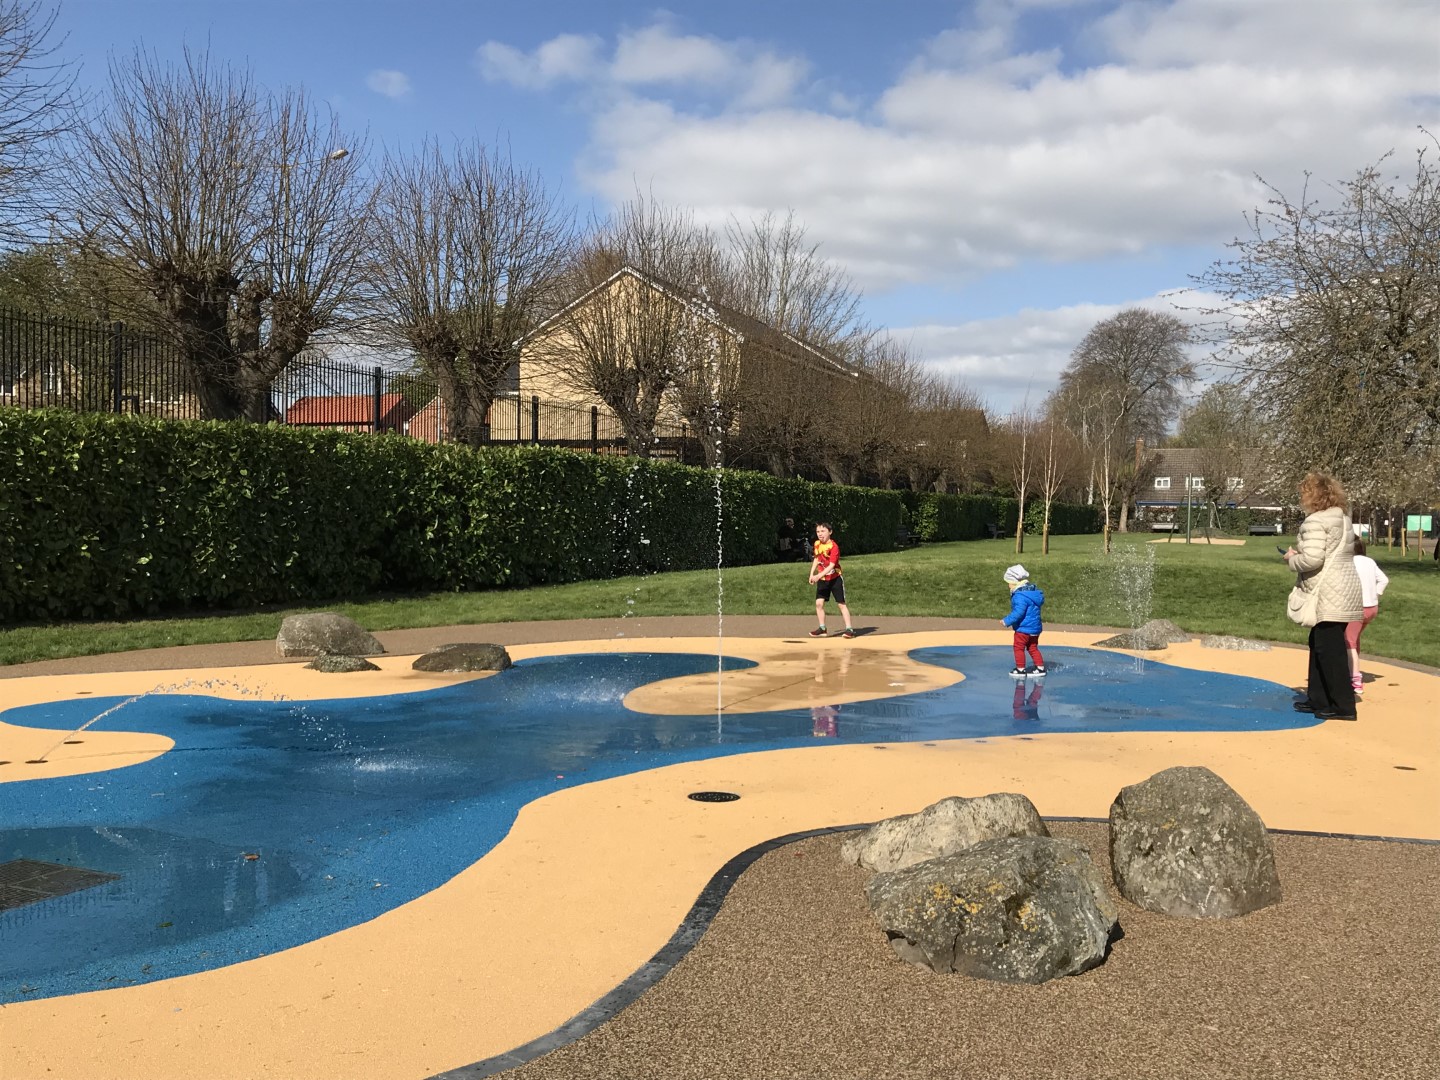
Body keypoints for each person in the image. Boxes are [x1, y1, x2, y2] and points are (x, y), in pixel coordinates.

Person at [1282, 472, 1364, 720]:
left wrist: (1291, 558)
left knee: (1329, 648)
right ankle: (1319, 699)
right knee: (1321, 643)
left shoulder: (1315, 521)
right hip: (1343, 586)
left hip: (1327, 590)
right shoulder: (1342, 518)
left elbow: (1313, 559)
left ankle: (1342, 705)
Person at [1346, 537, 1389, 698]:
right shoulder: (1369, 561)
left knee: (1349, 643)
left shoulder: (1349, 562)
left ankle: (1355, 680)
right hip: (1371, 608)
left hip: (1356, 608)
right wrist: (1375, 594)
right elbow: (1384, 580)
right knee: (1354, 640)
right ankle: (1352, 670)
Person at [807, 522, 855, 638]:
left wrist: (818, 576)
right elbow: (817, 558)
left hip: (835, 578)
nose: (820, 534)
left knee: (841, 604)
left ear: (830, 532)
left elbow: (831, 565)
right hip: (823, 579)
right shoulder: (817, 544)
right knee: (819, 603)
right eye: (818, 531)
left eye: (823, 531)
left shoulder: (834, 547)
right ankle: (822, 628)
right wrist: (812, 573)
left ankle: (849, 629)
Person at [1000, 564, 1046, 677]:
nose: (1008, 586)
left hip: (1023, 629)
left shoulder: (1019, 596)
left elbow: (1018, 613)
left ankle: (1020, 669)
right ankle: (1040, 668)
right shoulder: (1032, 593)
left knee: (1018, 647)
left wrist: (1006, 621)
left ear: (1015, 583)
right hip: (1035, 628)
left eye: (1009, 583)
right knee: (1033, 647)